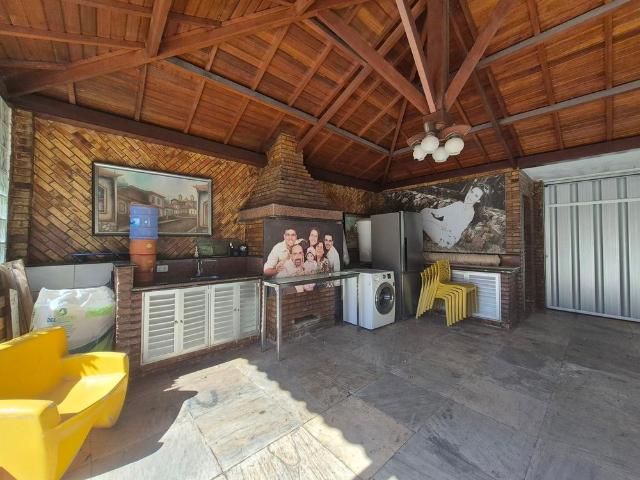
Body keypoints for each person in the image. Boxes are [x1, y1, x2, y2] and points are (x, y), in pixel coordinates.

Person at [420, 186, 484, 248]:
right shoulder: (458, 204)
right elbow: (439, 212)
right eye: (472, 192)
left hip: (448, 238)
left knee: (422, 221)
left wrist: (432, 219)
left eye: (476, 196)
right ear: (469, 192)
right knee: (424, 212)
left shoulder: (470, 213)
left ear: (478, 200)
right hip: (441, 228)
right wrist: (427, 211)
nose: (471, 196)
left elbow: (449, 227)